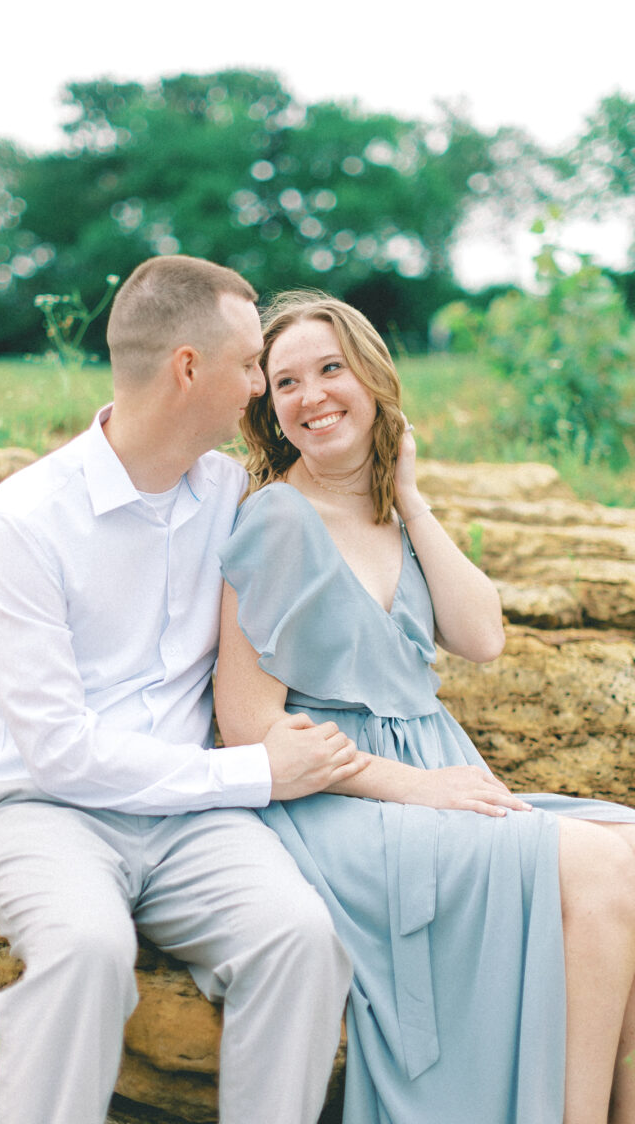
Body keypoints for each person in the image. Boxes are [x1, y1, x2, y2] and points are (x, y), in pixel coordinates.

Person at [215, 290, 635, 1124]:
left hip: (441, 777)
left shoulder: (392, 511)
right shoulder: (273, 521)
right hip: (342, 805)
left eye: (331, 369)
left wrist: (408, 494)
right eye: (287, 381)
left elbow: (481, 636)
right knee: (605, 866)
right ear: (268, 403)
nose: (312, 396)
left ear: (372, 380)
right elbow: (247, 725)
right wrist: (413, 788)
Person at [0, 258, 369, 1124]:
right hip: (47, 812)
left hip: (193, 828)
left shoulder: (228, 493)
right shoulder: (23, 520)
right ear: (189, 367)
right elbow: (61, 752)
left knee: (301, 938)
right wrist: (256, 773)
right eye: (253, 364)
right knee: (84, 947)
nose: (261, 387)